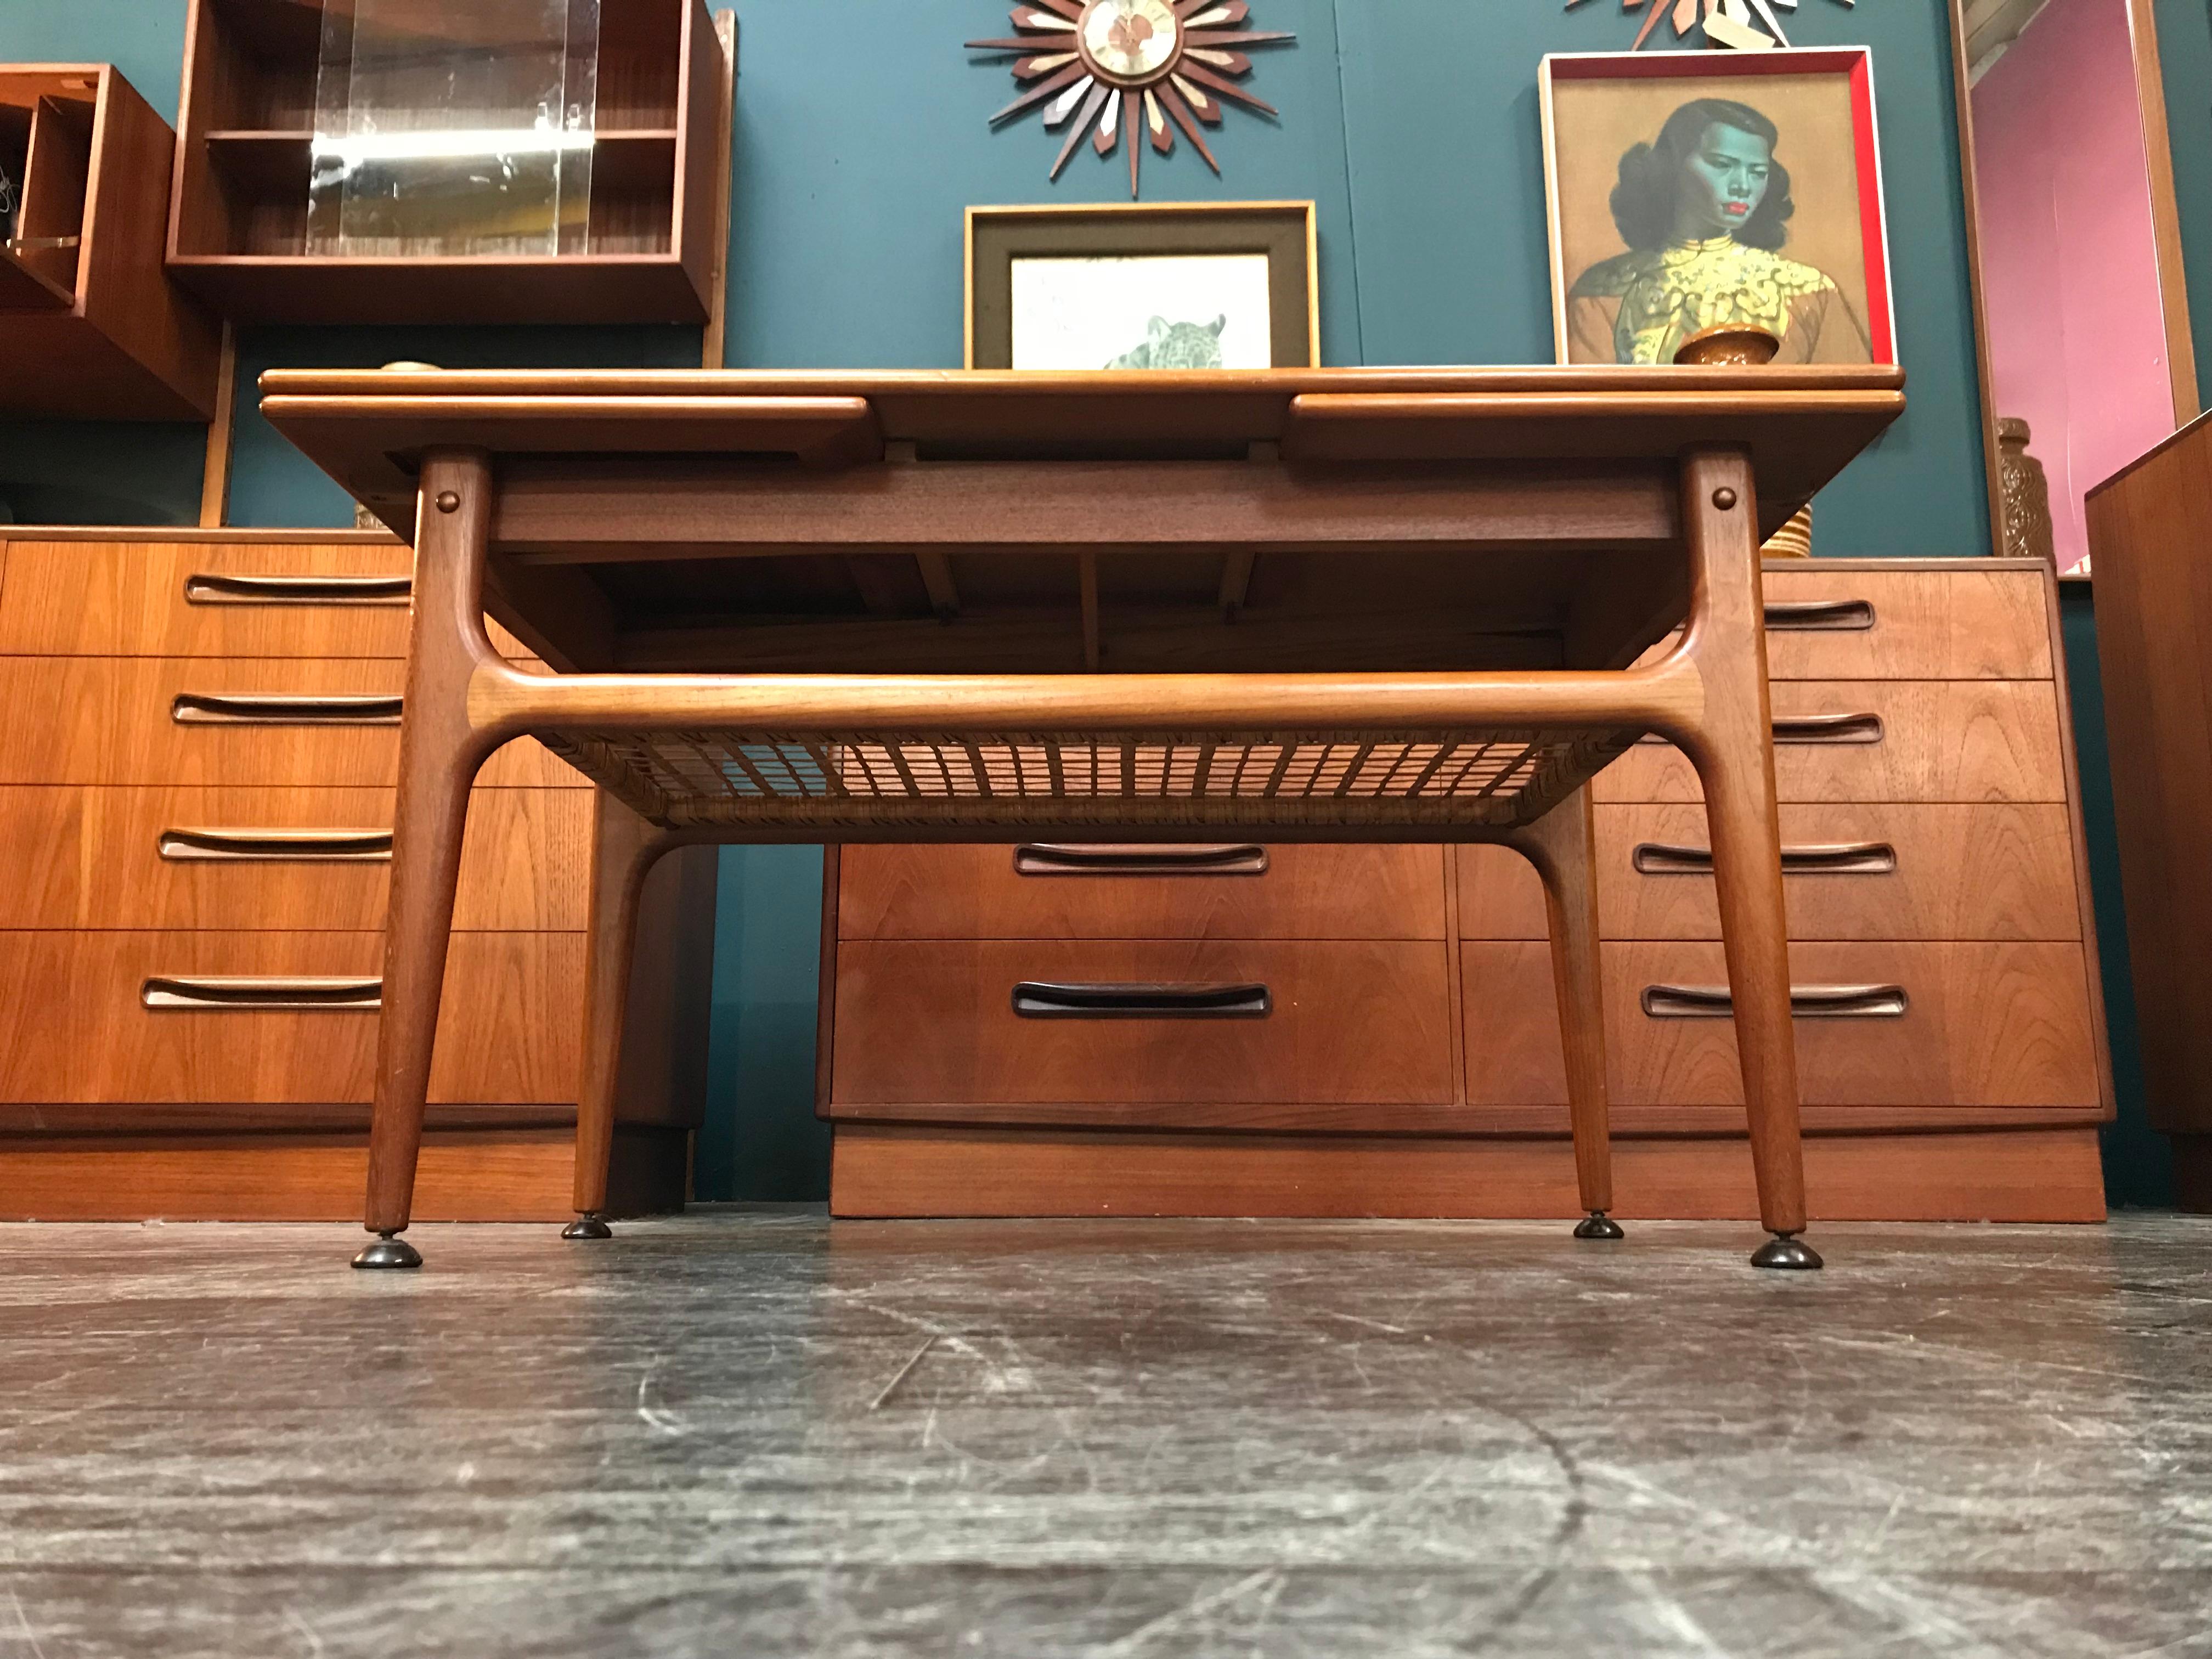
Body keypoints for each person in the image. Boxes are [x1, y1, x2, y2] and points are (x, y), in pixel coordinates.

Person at [1566, 97, 1872, 365]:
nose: (1742, 186)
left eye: (1758, 172)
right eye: (1722, 164)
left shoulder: (1811, 290)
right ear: (1672, 168)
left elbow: (1854, 403)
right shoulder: (1602, 291)